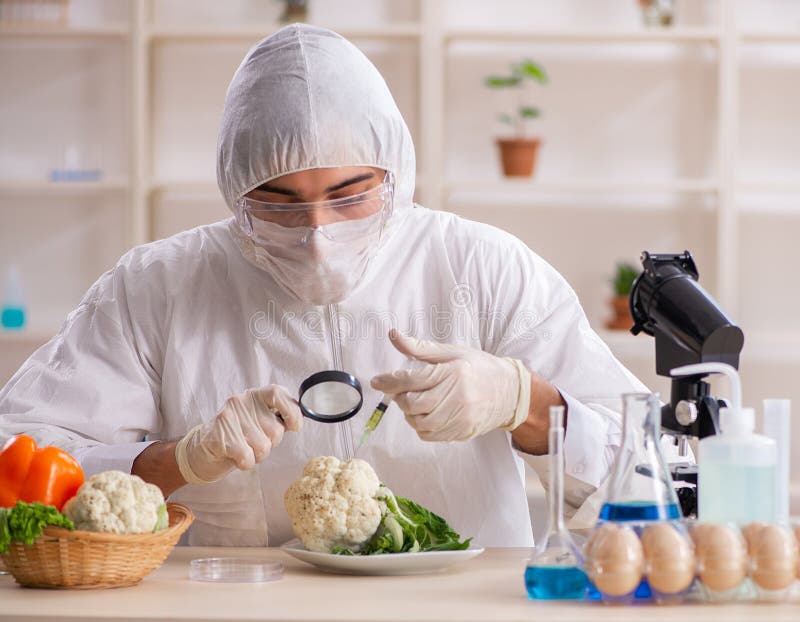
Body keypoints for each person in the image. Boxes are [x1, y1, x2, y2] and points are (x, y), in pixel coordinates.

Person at [0, 24, 648, 547]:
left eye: (350, 194)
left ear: (395, 174)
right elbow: (17, 458)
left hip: (457, 608)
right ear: (235, 194)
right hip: (227, 607)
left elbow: (653, 475)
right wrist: (182, 460)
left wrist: (524, 403)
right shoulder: (157, 285)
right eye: (279, 205)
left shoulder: (485, 267)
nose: (317, 233)